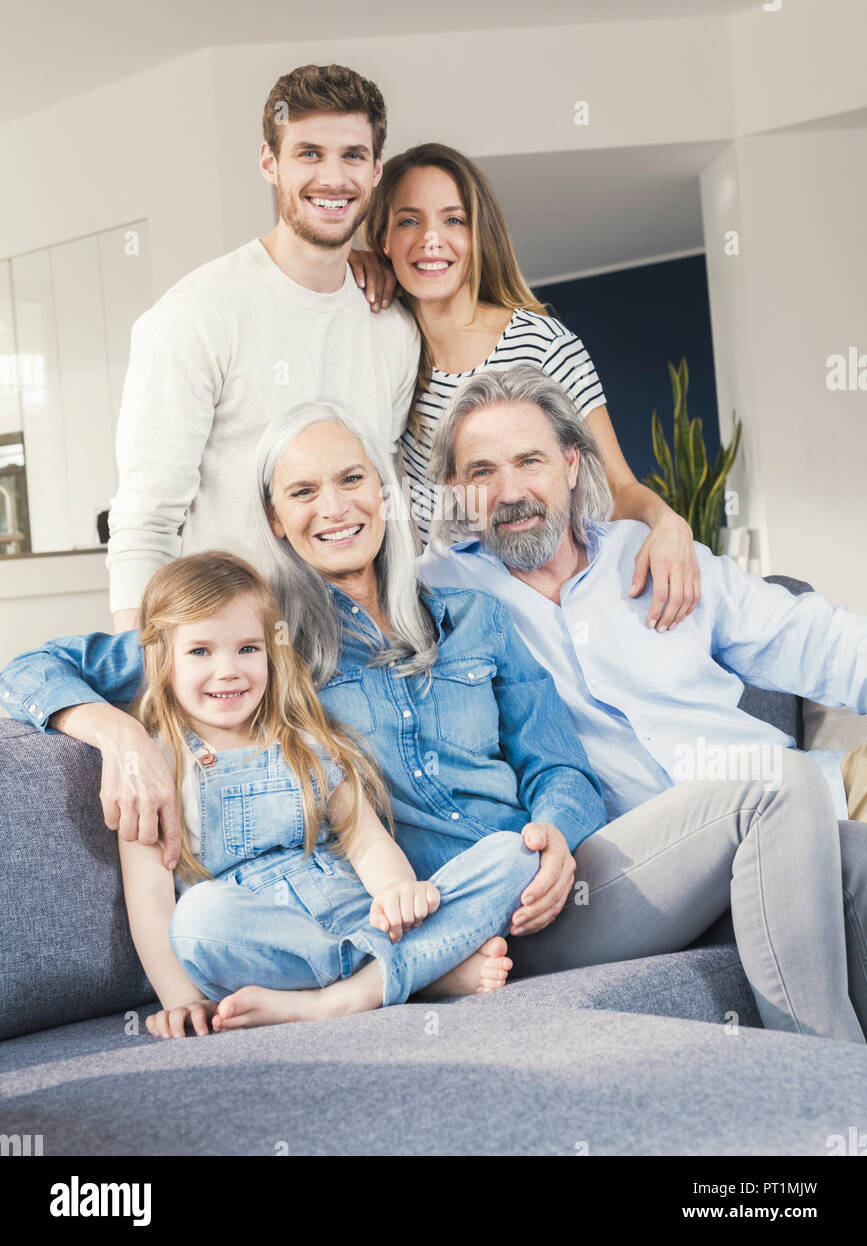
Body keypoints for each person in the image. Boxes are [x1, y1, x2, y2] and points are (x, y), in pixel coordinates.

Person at [2, 400, 865, 1041]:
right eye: (302, 491)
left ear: (384, 493)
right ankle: (831, 1086)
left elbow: (555, 764)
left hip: (543, 883)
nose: (334, 506)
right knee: (777, 783)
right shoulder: (260, 639)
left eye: (352, 480)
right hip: (445, 917)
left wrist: (557, 835)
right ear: (275, 518)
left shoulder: (472, 615)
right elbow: (31, 670)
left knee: (843, 851)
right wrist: (117, 733)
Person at [417, 364, 867, 1015]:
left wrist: (664, 521)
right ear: (457, 490)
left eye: (530, 461)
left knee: (842, 841)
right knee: (816, 822)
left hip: (810, 791)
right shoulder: (439, 595)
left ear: (572, 464)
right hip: (643, 855)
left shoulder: (652, 554)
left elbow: (819, 642)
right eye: (481, 472)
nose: (509, 492)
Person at [107, 549, 546, 1035]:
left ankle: (344, 996)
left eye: (248, 648)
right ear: (160, 657)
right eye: (200, 652)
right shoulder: (154, 768)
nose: (228, 670)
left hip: (358, 915)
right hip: (272, 945)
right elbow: (149, 897)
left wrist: (397, 892)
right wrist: (181, 999)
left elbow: (364, 838)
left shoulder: (305, 740)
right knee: (198, 918)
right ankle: (414, 970)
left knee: (515, 854)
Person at [107, 63, 414, 633]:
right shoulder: (196, 314)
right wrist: (144, 667)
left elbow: (385, 503)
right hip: (240, 654)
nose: (333, 177)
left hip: (362, 649)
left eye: (352, 155)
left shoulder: (393, 326)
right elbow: (145, 523)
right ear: (270, 162)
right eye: (309, 153)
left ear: (375, 171)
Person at [364, 141, 701, 632]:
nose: (430, 240)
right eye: (408, 221)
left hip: (553, 600)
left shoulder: (542, 343)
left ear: (479, 236)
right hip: (451, 613)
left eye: (453, 220)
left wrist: (669, 522)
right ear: (384, 239)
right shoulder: (387, 352)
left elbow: (617, 487)